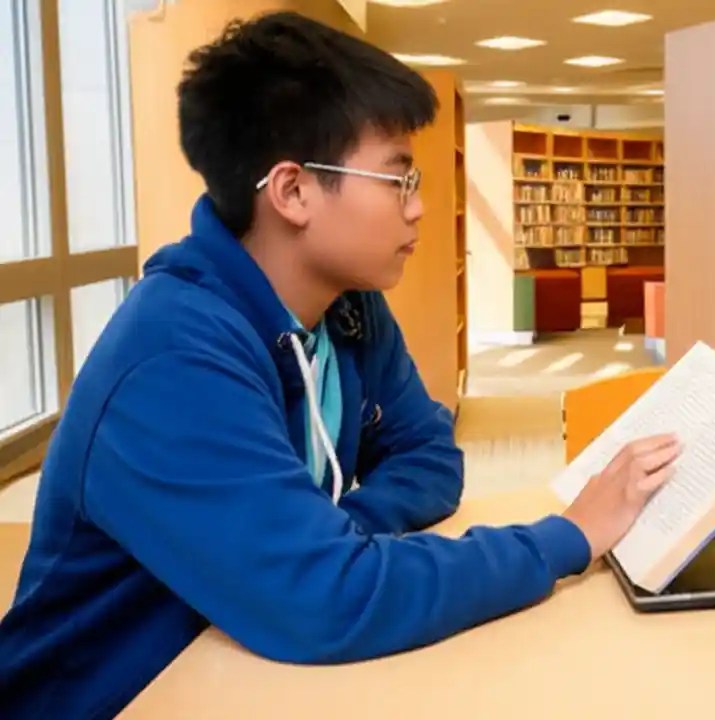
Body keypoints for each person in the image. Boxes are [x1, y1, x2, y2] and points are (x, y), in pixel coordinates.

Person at [0, 12, 679, 718]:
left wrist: (340, 533)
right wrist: (569, 537)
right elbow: (326, 599)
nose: (418, 208)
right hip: (115, 694)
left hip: (244, 666)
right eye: (397, 178)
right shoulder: (174, 355)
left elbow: (428, 456)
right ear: (292, 191)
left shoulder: (346, 308)